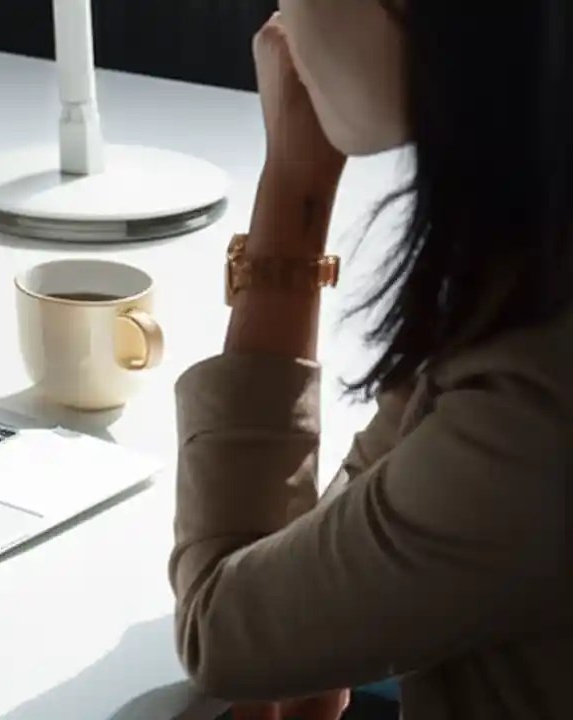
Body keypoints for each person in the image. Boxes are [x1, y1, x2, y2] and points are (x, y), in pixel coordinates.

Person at [170, 1, 571, 719]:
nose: (277, 18)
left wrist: (293, 187)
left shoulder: (531, 403)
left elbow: (224, 634)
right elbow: (314, 613)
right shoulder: (525, 260)